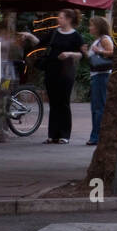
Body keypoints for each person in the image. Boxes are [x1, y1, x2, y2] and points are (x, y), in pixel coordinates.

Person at [22, 8, 85, 143]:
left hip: (66, 71)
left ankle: (64, 135)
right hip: (51, 70)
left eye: (61, 17)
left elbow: (81, 54)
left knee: (64, 102)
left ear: (68, 19)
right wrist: (29, 36)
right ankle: (52, 134)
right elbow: (39, 42)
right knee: (54, 102)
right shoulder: (54, 33)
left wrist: (69, 54)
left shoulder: (76, 36)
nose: (58, 19)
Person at [84, 16, 114, 146]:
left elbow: (112, 52)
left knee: (98, 107)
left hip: (102, 76)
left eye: (92, 25)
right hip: (96, 75)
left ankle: (96, 136)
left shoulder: (104, 39)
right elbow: (93, 59)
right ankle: (95, 135)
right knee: (95, 107)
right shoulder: (97, 40)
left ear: (98, 27)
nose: (90, 28)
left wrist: (100, 51)